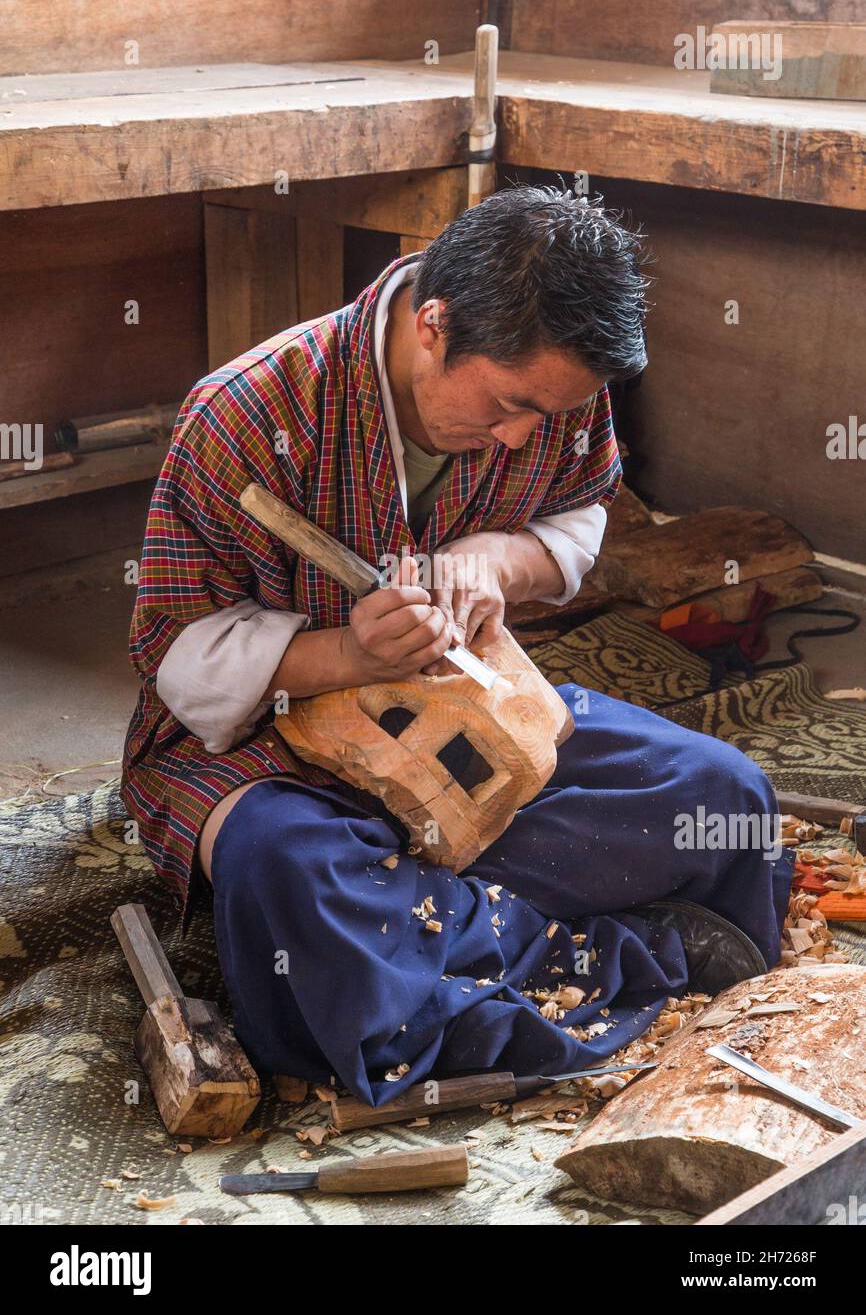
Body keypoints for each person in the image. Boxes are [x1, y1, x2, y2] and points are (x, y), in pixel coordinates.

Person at [122, 187, 792, 1105]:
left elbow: (579, 516)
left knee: (729, 799)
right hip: (273, 749)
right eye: (510, 404)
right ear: (432, 325)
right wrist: (352, 657)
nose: (521, 436)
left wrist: (495, 561)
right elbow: (176, 652)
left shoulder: (553, 391)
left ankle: (456, 949)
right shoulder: (245, 411)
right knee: (294, 876)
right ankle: (599, 946)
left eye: (545, 416)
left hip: (470, 713)